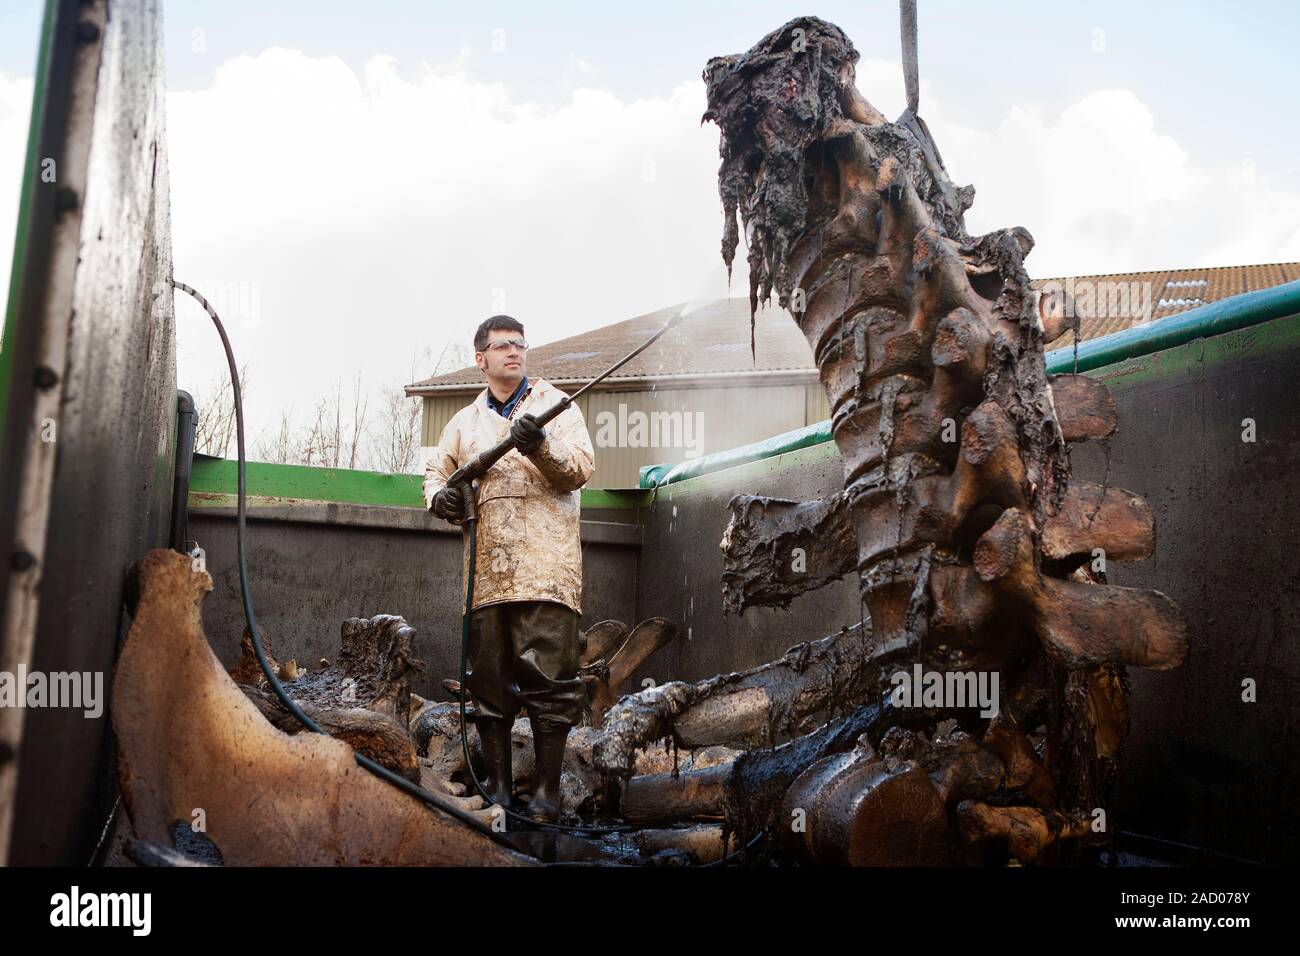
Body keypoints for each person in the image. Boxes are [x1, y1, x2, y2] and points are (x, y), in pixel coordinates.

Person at [423, 315, 595, 823]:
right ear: (482, 359)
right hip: (486, 578)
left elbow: (580, 468)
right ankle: (497, 789)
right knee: (489, 683)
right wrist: (441, 497)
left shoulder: (556, 407)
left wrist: (539, 445)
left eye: (520, 345)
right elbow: (436, 472)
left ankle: (545, 796)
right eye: (503, 346)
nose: (515, 353)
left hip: (547, 572)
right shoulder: (463, 423)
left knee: (550, 683)